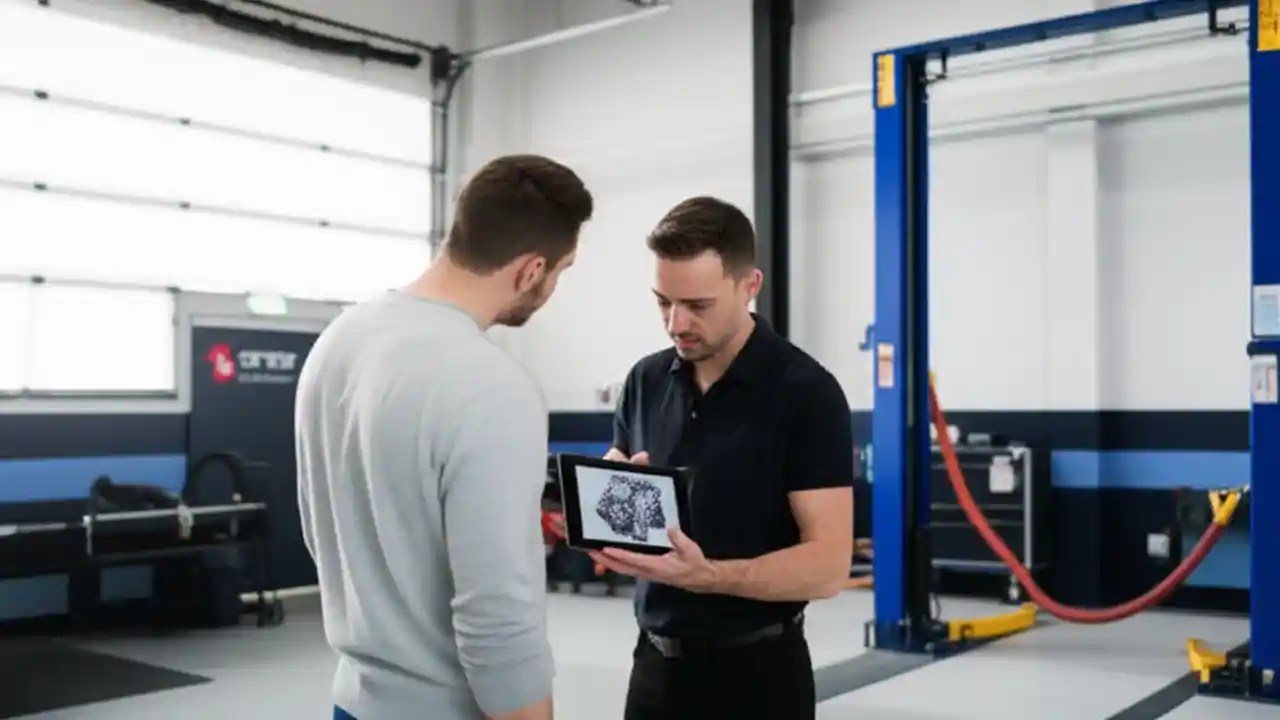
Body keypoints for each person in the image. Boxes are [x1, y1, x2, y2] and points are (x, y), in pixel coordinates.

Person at [294, 154, 593, 720]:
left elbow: (328, 532)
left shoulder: (338, 341)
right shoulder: (495, 387)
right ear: (531, 270)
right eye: (561, 271)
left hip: (353, 700)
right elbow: (499, 618)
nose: (554, 286)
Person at [589, 196, 855, 720]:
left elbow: (827, 566)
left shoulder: (806, 393)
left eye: (698, 306)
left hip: (757, 678)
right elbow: (619, 474)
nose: (676, 323)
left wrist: (708, 575)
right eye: (663, 302)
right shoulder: (645, 380)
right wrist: (594, 511)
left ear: (749, 285)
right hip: (654, 667)